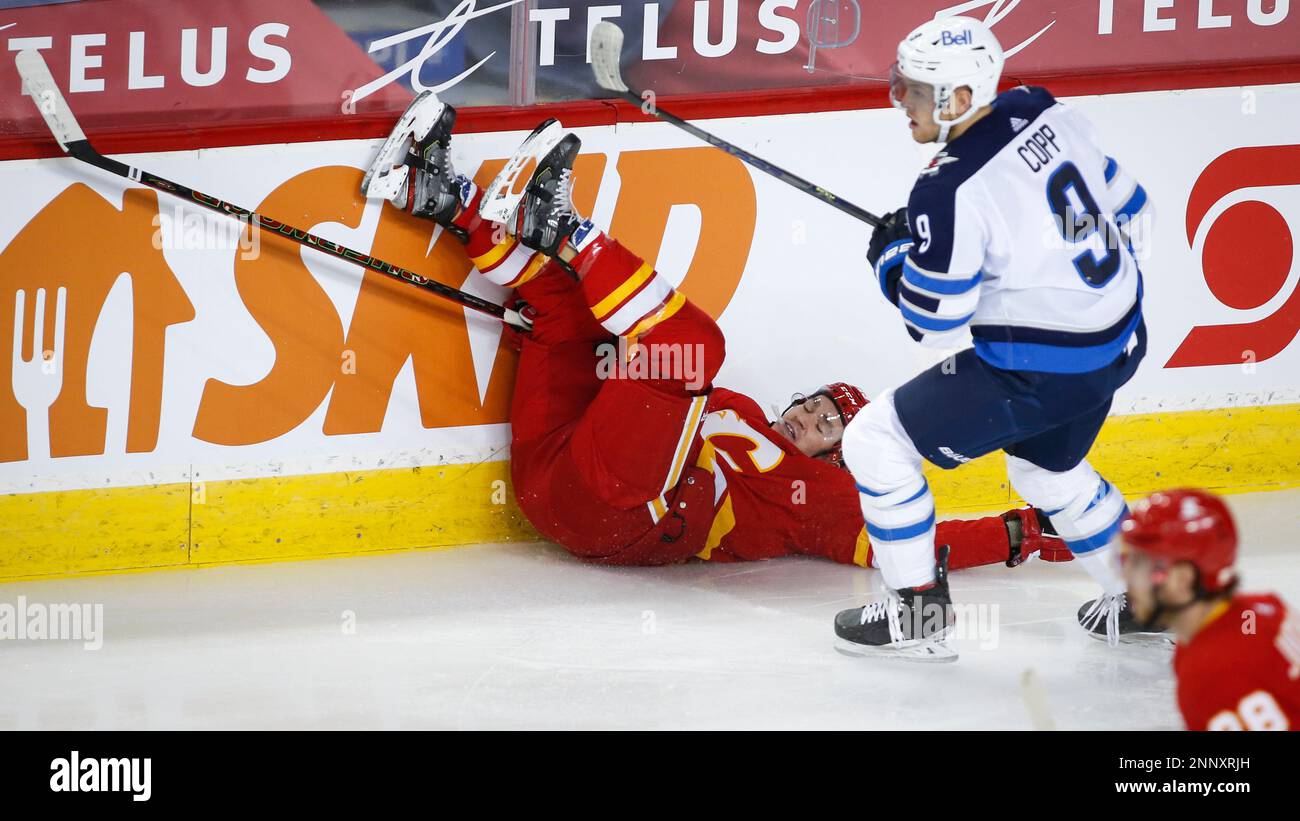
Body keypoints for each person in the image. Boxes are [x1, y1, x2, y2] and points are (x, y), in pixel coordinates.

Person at [361, 91, 1067, 573]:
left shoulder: (819, 500)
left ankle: (565, 227)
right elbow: (633, 408)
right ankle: (436, 195)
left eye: (829, 425)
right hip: (556, 468)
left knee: (696, 349)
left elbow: (915, 547)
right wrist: (589, 353)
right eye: (816, 403)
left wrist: (1026, 532)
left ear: (839, 459)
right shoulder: (743, 412)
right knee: (566, 310)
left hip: (614, 518)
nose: (810, 416)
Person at [834, 15, 1152, 659]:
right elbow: (1132, 204)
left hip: (1041, 374)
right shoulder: (1043, 112)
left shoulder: (945, 187)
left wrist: (894, 259)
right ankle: (1148, 597)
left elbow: (933, 323)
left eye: (914, 90)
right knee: (1046, 472)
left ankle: (916, 617)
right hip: (1120, 341)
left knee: (873, 439)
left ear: (958, 99)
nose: (899, 100)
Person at [1109, 489, 1299, 730]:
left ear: (1182, 579)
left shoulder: (1209, 678)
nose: (1126, 575)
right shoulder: (1266, 606)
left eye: (1138, 563)